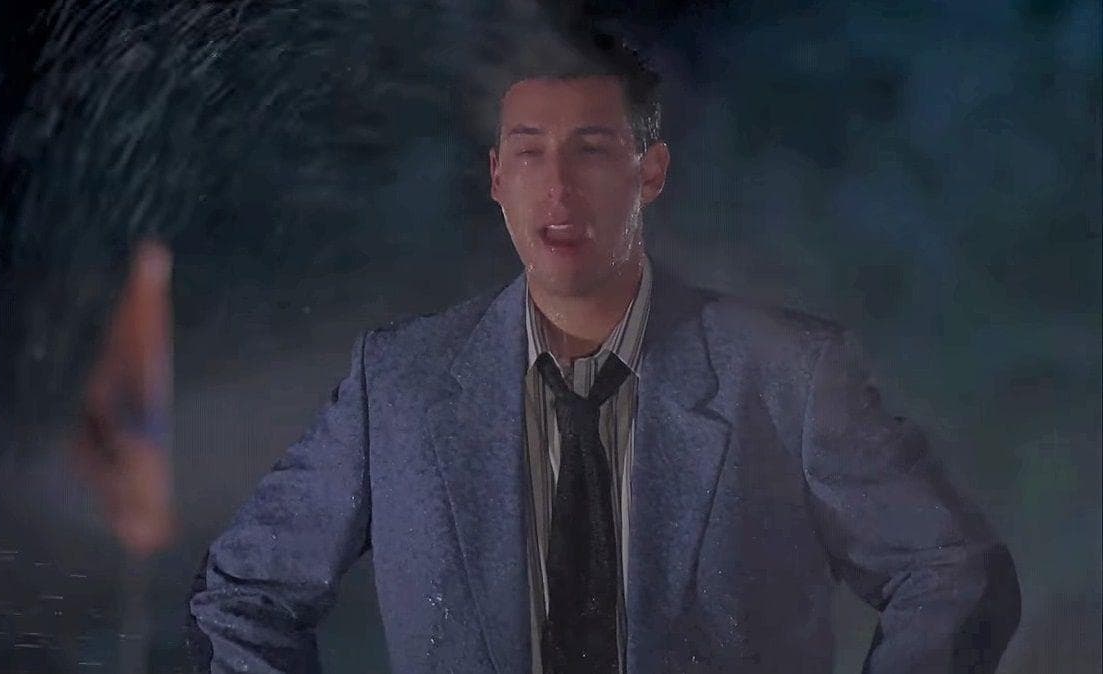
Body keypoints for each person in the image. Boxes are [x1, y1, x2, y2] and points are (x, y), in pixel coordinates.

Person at [187, 29, 1020, 674]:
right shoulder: (398, 384)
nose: (557, 188)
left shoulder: (787, 375)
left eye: (590, 149)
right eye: (529, 152)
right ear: (496, 177)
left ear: (648, 172)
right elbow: (244, 595)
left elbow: (953, 572)